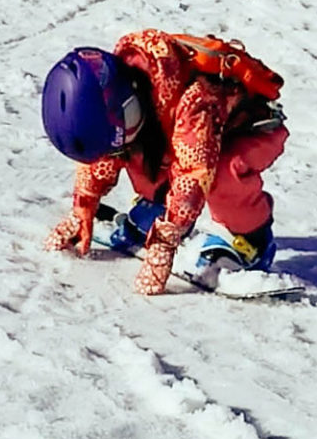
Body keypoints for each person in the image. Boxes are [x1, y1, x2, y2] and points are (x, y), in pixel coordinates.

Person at [40, 29, 288, 295]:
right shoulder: (120, 96)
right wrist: (84, 205)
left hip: (250, 129)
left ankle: (254, 241)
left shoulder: (195, 99)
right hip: (188, 135)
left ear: (129, 99)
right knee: (136, 147)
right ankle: (156, 206)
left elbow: (195, 171)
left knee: (221, 175)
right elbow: (108, 152)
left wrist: (167, 238)